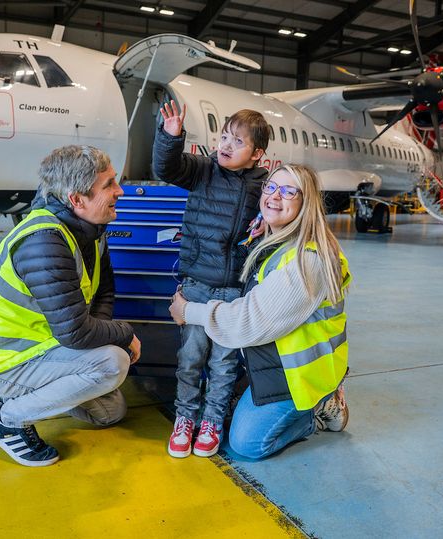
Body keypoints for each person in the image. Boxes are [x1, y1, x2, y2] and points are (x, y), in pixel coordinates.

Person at [0, 145, 141, 467]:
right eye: (109, 185)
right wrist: (124, 335)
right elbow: (76, 333)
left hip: (43, 345)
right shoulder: (44, 242)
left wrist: (110, 334)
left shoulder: (90, 229)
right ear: (77, 199)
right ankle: (7, 420)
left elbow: (103, 292)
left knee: (109, 413)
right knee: (112, 363)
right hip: (5, 358)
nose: (120, 191)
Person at [169, 164, 351, 460]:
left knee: (247, 442)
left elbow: (248, 321)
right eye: (271, 187)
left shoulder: (308, 260)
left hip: (301, 376)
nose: (275, 196)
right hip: (272, 361)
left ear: (306, 202)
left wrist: (189, 311)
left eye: (289, 191)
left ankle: (319, 407)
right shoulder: (277, 241)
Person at [153, 101, 270, 458]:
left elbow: (284, 207)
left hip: (233, 290)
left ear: (257, 154)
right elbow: (166, 168)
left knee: (224, 362)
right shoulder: (203, 169)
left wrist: (266, 220)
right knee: (190, 357)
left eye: (238, 141)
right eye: (224, 137)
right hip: (196, 284)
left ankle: (212, 421)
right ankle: (185, 417)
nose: (226, 145)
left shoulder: (262, 185)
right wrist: (170, 137)